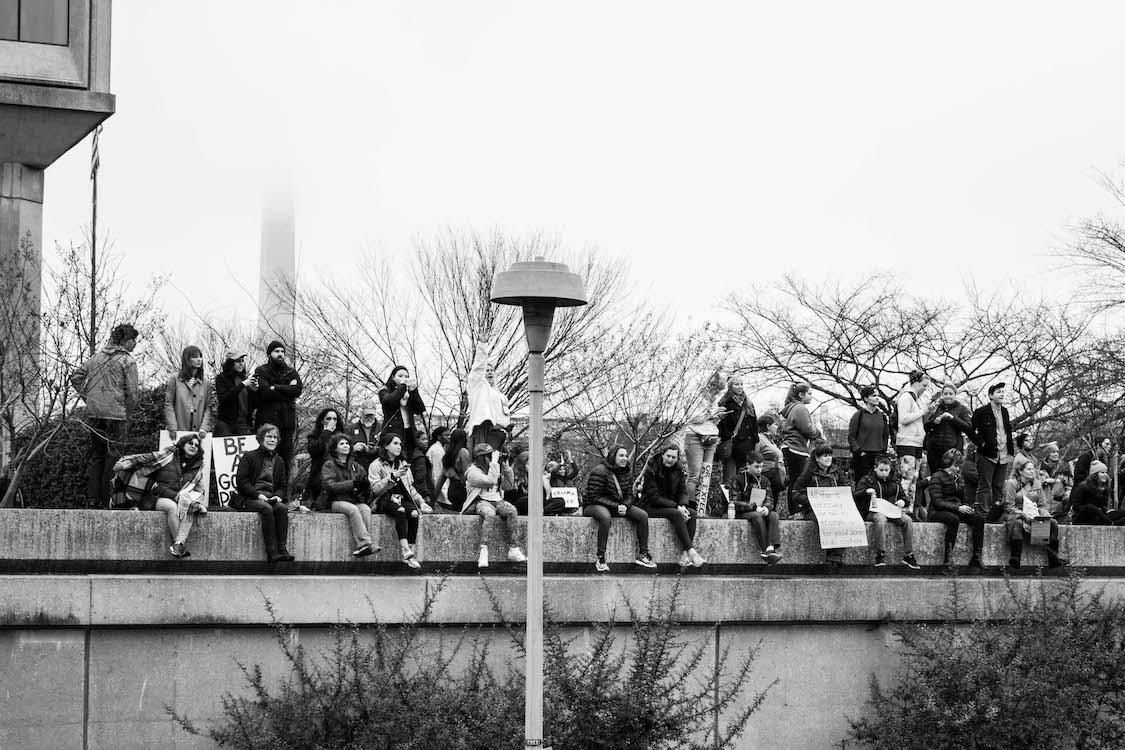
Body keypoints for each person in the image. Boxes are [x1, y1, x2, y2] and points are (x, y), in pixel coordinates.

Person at [71, 322, 140, 506]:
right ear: (125, 340)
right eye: (133, 340)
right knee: (115, 457)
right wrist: (128, 413)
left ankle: (93, 499)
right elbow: (132, 393)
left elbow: (76, 377)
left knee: (97, 456)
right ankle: (110, 498)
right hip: (117, 415)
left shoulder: (96, 357)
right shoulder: (127, 361)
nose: (135, 344)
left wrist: (89, 399)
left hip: (95, 415)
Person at [583, 445, 656, 572]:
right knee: (605, 517)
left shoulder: (626, 471)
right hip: (594, 505)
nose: (624, 458)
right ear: (613, 456)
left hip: (617, 506)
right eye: (621, 455)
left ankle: (643, 554)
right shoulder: (599, 471)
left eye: (626, 456)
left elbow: (629, 494)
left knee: (642, 515)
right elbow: (594, 496)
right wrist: (617, 506)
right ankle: (600, 557)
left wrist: (625, 505)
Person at [233, 423, 294, 563]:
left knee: (282, 508)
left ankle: (282, 549)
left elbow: (282, 485)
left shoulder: (279, 460)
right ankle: (271, 552)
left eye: (275, 437)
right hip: (250, 498)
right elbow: (242, 482)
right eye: (269, 436)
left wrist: (278, 496)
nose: (272, 440)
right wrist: (258, 495)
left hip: (271, 498)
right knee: (266, 509)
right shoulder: (249, 456)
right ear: (261, 438)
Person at [369, 432, 431, 569]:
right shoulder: (376, 465)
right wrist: (392, 477)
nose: (399, 447)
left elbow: (410, 488)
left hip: (402, 498)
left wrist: (422, 502)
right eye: (395, 444)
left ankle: (411, 552)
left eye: (400, 444)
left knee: (414, 513)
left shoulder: (403, 464)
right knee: (400, 511)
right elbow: (375, 490)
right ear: (386, 446)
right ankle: (404, 549)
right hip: (384, 499)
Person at [141, 433, 208, 558]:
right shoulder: (168, 457)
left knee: (189, 507)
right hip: (158, 497)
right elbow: (157, 486)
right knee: (172, 507)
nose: (193, 446)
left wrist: (196, 502)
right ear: (183, 444)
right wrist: (176, 496)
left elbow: (199, 490)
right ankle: (179, 544)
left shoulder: (197, 468)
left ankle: (178, 545)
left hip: (182, 500)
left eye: (196, 445)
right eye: (190, 443)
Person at [639, 445, 706, 568]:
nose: (670, 459)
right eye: (668, 456)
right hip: (650, 506)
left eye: (673, 457)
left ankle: (685, 554)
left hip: (671, 506)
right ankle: (691, 551)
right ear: (663, 455)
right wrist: (676, 507)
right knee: (676, 514)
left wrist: (683, 506)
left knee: (692, 514)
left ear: (677, 458)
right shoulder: (651, 470)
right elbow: (654, 497)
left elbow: (682, 491)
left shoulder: (679, 470)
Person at [462, 443, 527, 569]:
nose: (489, 458)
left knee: (512, 510)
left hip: (497, 501)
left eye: (490, 455)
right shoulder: (472, 472)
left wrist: (506, 467)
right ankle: (483, 551)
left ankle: (514, 548)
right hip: (481, 501)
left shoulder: (494, 468)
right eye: (486, 456)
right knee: (489, 514)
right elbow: (489, 481)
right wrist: (495, 464)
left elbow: (508, 486)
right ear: (478, 457)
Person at [853, 455, 920, 570]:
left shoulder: (895, 480)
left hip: (892, 511)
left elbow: (905, 498)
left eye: (886, 470)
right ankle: (880, 554)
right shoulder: (868, 480)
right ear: (875, 468)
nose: (884, 473)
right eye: (881, 470)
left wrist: (902, 502)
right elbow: (855, 495)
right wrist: (866, 491)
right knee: (881, 519)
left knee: (907, 520)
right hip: (873, 511)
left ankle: (908, 555)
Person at [318, 434, 378, 557]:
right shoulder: (329, 465)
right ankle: (365, 543)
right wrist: (352, 484)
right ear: (335, 449)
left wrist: (365, 488)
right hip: (335, 501)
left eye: (347, 444)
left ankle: (365, 544)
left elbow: (364, 484)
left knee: (366, 509)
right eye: (342, 444)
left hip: (353, 500)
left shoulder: (356, 466)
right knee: (354, 510)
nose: (345, 446)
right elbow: (330, 486)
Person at [790, 444, 850, 569]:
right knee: (826, 520)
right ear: (817, 458)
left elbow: (846, 487)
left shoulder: (836, 472)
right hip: (814, 510)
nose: (828, 458)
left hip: (835, 508)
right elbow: (796, 492)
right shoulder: (809, 473)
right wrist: (810, 500)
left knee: (844, 519)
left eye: (830, 455)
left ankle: (835, 556)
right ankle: (833, 557)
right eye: (825, 456)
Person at [924, 449, 985, 568]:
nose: (957, 469)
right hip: (938, 511)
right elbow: (937, 502)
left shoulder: (957, 478)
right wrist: (958, 508)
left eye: (958, 466)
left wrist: (968, 506)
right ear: (948, 464)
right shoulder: (937, 477)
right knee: (953, 520)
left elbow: (961, 498)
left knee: (979, 519)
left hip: (955, 508)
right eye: (955, 466)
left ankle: (977, 556)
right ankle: (948, 557)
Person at [1001, 459, 1067, 569]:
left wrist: (1043, 513)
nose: (1032, 471)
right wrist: (1023, 514)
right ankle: (1015, 557)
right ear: (1020, 471)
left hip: (1034, 514)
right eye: (1029, 469)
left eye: (1033, 469)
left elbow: (1042, 504)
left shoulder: (1037, 484)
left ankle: (1053, 557)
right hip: (1015, 513)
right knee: (1017, 523)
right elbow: (1009, 506)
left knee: (1053, 523)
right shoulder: (1012, 484)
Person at [252, 341, 303, 472]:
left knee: (285, 461)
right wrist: (287, 391)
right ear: (269, 354)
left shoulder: (291, 372)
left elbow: (297, 390)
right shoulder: (261, 370)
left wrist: (276, 387)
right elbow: (265, 393)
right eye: (277, 351)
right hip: (267, 422)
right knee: (265, 459)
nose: (280, 354)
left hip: (286, 423)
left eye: (282, 352)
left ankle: (283, 492)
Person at [680, 378, 726, 514]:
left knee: (706, 474)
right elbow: (694, 418)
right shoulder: (694, 398)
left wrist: (718, 416)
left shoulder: (714, 401)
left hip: (711, 437)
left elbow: (711, 422)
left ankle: (701, 508)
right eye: (715, 388)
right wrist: (711, 413)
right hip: (694, 437)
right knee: (695, 474)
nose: (716, 392)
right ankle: (690, 506)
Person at [971, 382, 1015, 519]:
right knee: (985, 485)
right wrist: (982, 444)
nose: (1002, 394)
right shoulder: (981, 411)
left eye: (1003, 392)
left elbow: (1007, 432)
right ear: (991, 395)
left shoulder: (1005, 411)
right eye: (998, 392)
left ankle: (996, 514)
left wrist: (1011, 450)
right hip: (987, 455)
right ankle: (982, 514)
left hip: (1003, 454)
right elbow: (971, 431)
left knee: (998, 486)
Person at [731, 452, 781, 564]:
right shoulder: (738, 479)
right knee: (757, 516)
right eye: (756, 467)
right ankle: (765, 550)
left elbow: (770, 499)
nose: (759, 470)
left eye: (761, 467)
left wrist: (767, 508)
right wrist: (753, 507)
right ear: (748, 465)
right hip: (743, 512)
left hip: (759, 510)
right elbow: (734, 502)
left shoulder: (764, 480)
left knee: (774, 515)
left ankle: (771, 548)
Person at [781, 382, 821, 516]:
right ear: (801, 394)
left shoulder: (792, 408)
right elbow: (807, 429)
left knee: (794, 480)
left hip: (792, 447)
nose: (811, 397)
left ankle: (794, 509)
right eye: (809, 394)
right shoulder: (800, 408)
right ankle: (796, 509)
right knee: (798, 481)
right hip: (796, 448)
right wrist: (818, 432)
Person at [467, 336, 511, 450]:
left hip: (498, 435)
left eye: (492, 370)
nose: (490, 372)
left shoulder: (499, 394)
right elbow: (478, 367)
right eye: (487, 370)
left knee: (498, 464)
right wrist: (482, 345)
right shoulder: (477, 386)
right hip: (483, 432)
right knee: (484, 462)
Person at [922, 384, 974, 477]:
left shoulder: (962, 409)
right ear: (942, 394)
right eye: (945, 393)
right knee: (935, 477)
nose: (948, 396)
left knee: (950, 478)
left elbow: (968, 428)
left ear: (955, 394)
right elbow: (925, 427)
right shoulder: (935, 407)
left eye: (951, 393)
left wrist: (953, 418)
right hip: (934, 451)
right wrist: (934, 421)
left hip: (953, 451)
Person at [163, 345, 214, 439]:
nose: (199, 360)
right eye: (195, 357)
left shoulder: (206, 382)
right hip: (179, 426)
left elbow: (209, 407)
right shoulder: (175, 379)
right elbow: (168, 404)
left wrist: (204, 428)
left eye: (200, 356)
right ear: (187, 359)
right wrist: (172, 427)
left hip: (198, 429)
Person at [716, 376, 758, 486]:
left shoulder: (748, 403)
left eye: (741, 384)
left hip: (747, 445)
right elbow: (722, 425)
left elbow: (754, 423)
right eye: (736, 384)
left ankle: (742, 502)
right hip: (732, 445)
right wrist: (729, 436)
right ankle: (728, 502)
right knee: (729, 478)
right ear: (730, 386)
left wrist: (755, 439)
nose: (739, 387)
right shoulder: (725, 402)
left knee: (745, 478)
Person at [379, 365, 426, 456]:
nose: (403, 378)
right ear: (393, 377)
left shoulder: (408, 392)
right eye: (400, 376)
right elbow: (390, 401)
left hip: (409, 431)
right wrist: (402, 386)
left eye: (406, 376)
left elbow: (419, 409)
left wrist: (414, 391)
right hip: (392, 431)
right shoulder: (384, 390)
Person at [848, 386, 889, 483]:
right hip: (862, 457)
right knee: (862, 484)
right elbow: (851, 436)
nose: (877, 398)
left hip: (878, 456)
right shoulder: (858, 415)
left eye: (878, 396)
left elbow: (885, 436)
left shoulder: (882, 416)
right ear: (866, 398)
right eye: (874, 395)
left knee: (878, 484)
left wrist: (883, 451)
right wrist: (859, 451)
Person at [304, 408, 343, 507]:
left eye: (334, 419)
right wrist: (326, 433)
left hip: (337, 476)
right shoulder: (314, 436)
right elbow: (315, 451)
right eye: (328, 419)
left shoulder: (341, 437)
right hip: (318, 476)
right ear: (322, 421)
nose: (332, 422)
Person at [213, 351, 258, 437]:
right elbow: (224, 399)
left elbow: (253, 405)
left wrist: (255, 390)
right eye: (238, 361)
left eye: (242, 361)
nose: (241, 364)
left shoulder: (244, 379)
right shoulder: (221, 378)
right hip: (226, 423)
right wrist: (243, 385)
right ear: (230, 363)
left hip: (243, 422)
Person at [1069, 460, 1125, 525]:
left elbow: (1103, 506)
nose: (1105, 475)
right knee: (1090, 507)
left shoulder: (1104, 488)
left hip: (1100, 515)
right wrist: (1095, 509)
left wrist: (1104, 510)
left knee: (1121, 513)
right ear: (1095, 475)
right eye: (1102, 472)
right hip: (1083, 516)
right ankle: (1110, 522)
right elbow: (1076, 506)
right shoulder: (1083, 487)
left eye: (1106, 472)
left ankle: (1114, 522)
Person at [895, 370, 929, 462]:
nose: (925, 389)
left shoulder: (916, 400)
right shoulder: (906, 397)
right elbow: (904, 418)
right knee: (908, 474)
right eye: (924, 385)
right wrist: (922, 412)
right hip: (907, 443)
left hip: (917, 443)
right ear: (916, 383)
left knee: (915, 475)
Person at [435, 428, 471, 510]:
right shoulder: (463, 452)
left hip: (451, 489)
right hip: (461, 489)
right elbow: (467, 474)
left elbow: (441, 478)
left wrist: (434, 499)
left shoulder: (448, 454)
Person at [756, 415, 786, 510]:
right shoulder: (759, 438)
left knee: (772, 505)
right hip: (766, 475)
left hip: (775, 475)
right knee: (766, 504)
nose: (777, 427)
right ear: (768, 426)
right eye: (775, 424)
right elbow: (755, 456)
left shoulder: (770, 440)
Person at [344, 403, 380, 470]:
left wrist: (376, 449)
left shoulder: (381, 428)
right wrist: (353, 448)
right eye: (366, 415)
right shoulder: (350, 429)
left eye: (371, 415)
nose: (369, 417)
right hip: (357, 468)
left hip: (377, 469)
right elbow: (342, 448)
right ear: (361, 414)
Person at [426, 426, 450, 503]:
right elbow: (437, 473)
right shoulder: (437, 450)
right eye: (446, 435)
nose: (449, 437)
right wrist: (445, 497)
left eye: (449, 435)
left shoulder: (441, 448)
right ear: (439, 437)